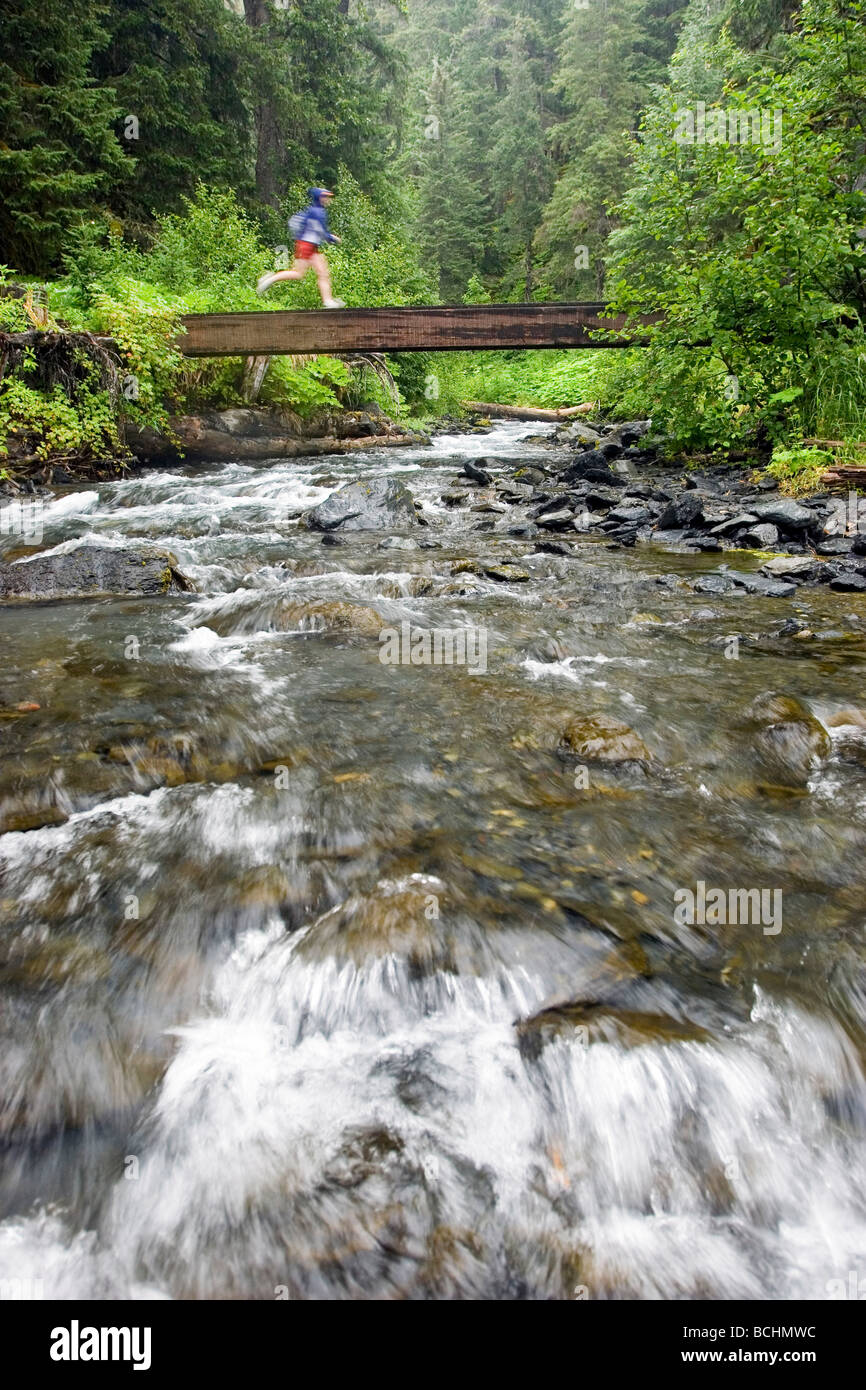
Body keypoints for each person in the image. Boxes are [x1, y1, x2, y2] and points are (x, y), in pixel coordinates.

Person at [256, 187, 346, 307]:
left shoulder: (314, 210)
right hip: (306, 246)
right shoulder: (318, 212)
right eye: (325, 196)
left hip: (309, 245)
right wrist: (333, 238)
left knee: (322, 272)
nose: (328, 199)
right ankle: (269, 279)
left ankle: (328, 301)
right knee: (299, 273)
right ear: (319, 198)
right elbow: (321, 232)